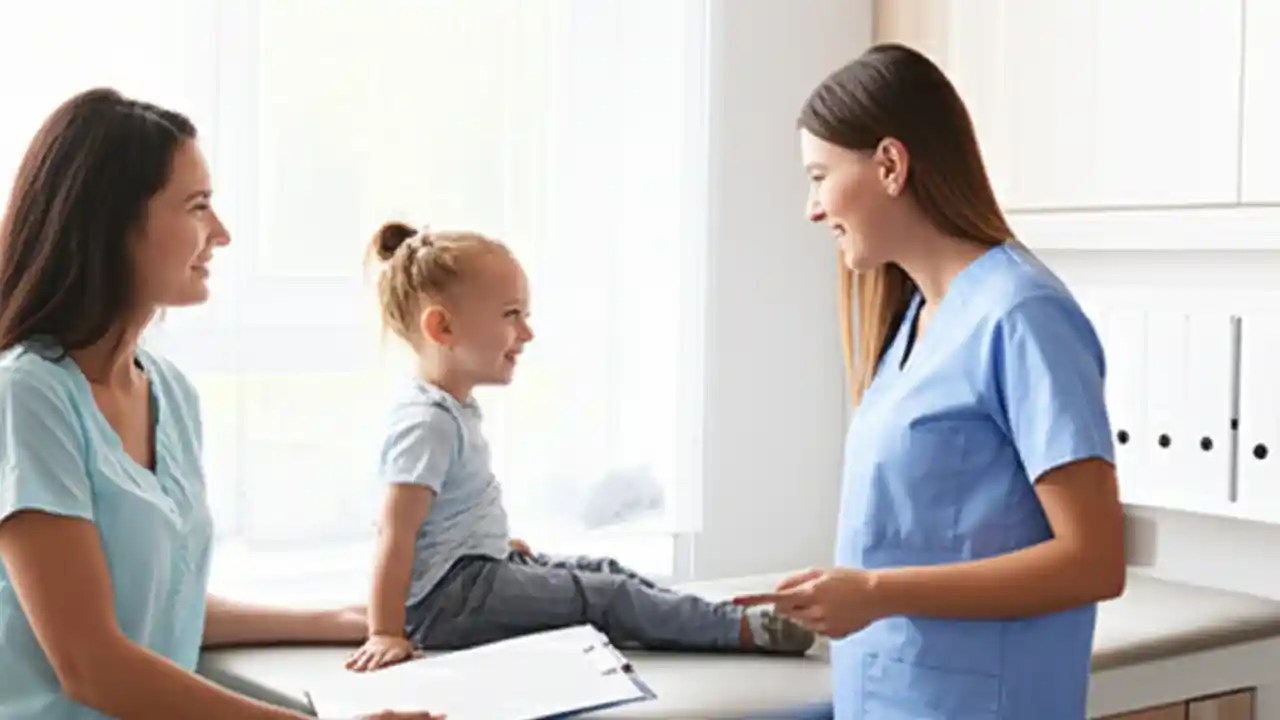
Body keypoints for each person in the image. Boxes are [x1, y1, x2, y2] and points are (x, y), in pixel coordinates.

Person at [0, 89, 440, 719]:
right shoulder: (26, 396)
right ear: (110, 221)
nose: (221, 234)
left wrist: (348, 618)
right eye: (198, 206)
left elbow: (157, 609)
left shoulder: (169, 393)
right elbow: (93, 665)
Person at [734, 44, 1127, 719]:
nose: (812, 207)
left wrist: (878, 592)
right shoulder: (916, 319)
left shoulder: (1022, 316)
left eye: (820, 175)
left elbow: (1092, 561)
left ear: (890, 164)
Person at [343, 222, 815, 672]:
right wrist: (385, 631)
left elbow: (444, 513)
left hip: (471, 575)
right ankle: (735, 630)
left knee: (604, 569)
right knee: (608, 597)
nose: (526, 333)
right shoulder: (427, 422)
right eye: (512, 316)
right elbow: (394, 532)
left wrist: (489, 545)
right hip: (451, 604)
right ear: (443, 329)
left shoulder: (448, 409)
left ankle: (706, 616)